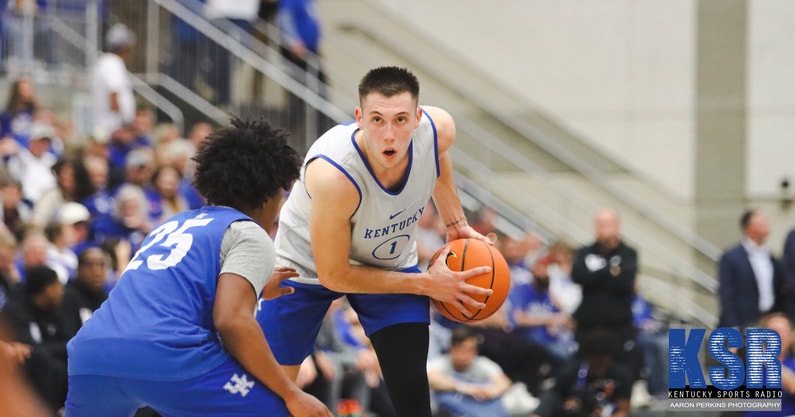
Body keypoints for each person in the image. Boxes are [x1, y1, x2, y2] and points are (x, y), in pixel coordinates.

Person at [256, 66, 493, 417]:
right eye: (377, 120)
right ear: (359, 118)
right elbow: (334, 275)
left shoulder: (437, 129)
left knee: (412, 393)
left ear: (418, 118)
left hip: (387, 260)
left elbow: (436, 156)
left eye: (400, 120)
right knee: (270, 396)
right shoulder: (335, 173)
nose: (389, 134)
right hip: (304, 269)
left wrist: (455, 223)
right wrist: (426, 284)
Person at [65, 118, 332, 417]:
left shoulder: (172, 223)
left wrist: (253, 288)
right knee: (285, 410)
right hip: (164, 352)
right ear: (270, 194)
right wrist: (291, 392)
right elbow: (231, 320)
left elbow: (161, 292)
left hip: (91, 353)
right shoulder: (248, 231)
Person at [571, 208, 641, 381]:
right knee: (584, 364)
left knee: (621, 364)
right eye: (598, 224)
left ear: (617, 226)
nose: (601, 229)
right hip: (589, 322)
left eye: (606, 224)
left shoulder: (628, 253)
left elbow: (625, 280)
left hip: (617, 322)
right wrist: (610, 271)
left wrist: (595, 275)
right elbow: (578, 275)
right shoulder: (585, 252)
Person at [531, 327, 633, 417]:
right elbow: (552, 400)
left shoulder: (620, 375)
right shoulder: (569, 374)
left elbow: (623, 410)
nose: (599, 366)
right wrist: (566, 406)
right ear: (587, 358)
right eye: (595, 362)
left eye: (602, 362)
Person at [718, 209, 788, 330]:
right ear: (748, 228)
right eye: (761, 223)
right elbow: (726, 294)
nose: (767, 226)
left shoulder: (771, 257)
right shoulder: (731, 257)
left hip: (768, 320)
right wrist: (733, 326)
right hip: (743, 323)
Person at [427, 326, 512, 417]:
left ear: (475, 351)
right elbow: (431, 378)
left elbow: (504, 382)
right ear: (451, 349)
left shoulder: (482, 364)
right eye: (460, 350)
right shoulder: (441, 363)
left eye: (469, 350)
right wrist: (464, 388)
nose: (464, 355)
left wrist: (490, 391)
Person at [91, 23, 136, 140]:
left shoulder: (104, 62)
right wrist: (123, 124)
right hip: (114, 128)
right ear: (124, 47)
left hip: (108, 125)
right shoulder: (113, 63)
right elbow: (113, 94)